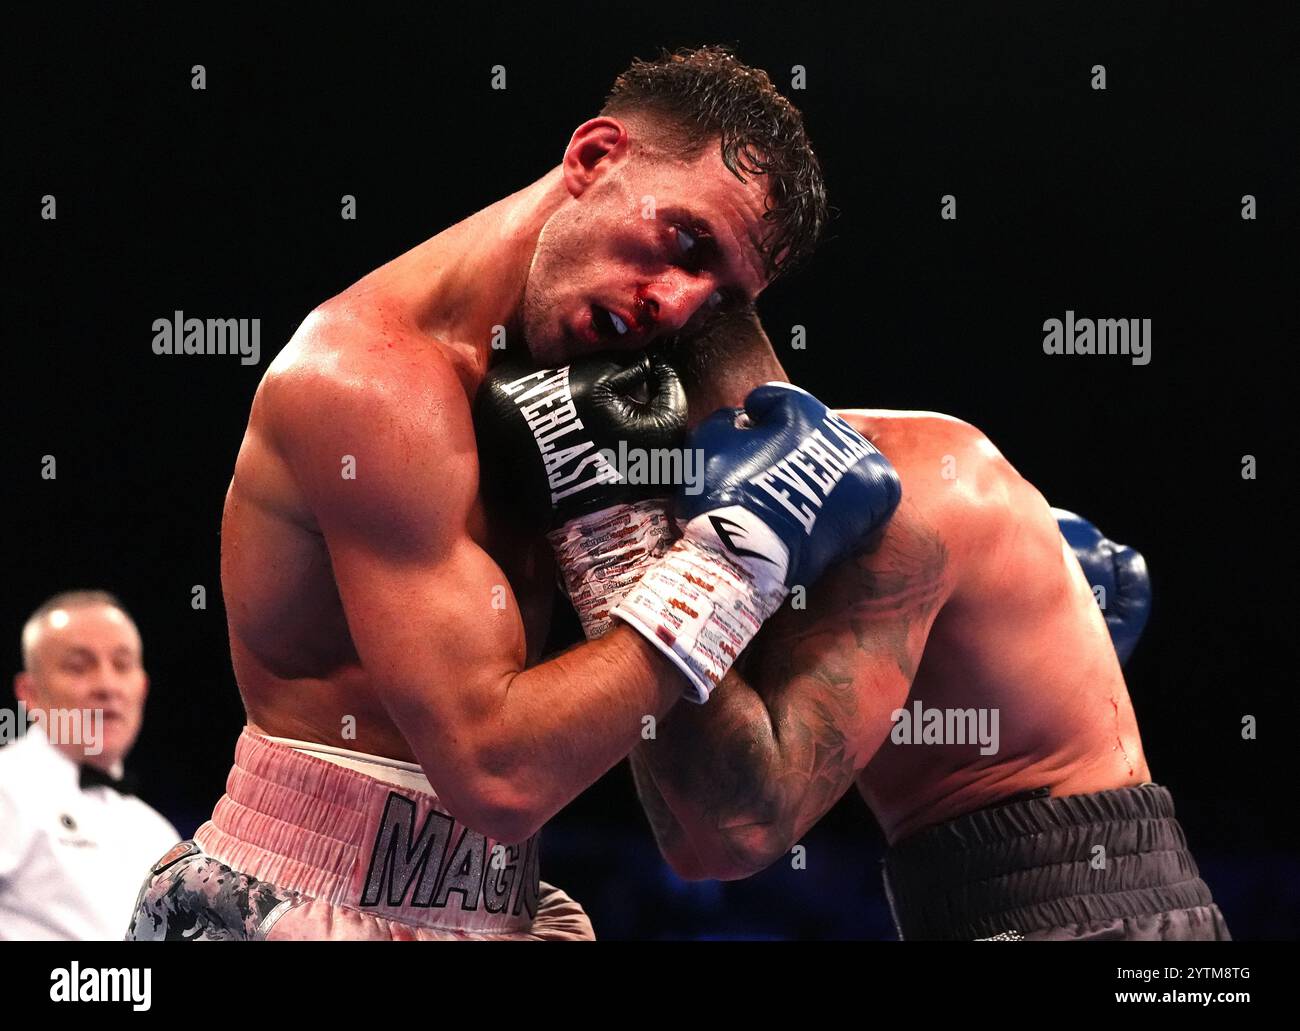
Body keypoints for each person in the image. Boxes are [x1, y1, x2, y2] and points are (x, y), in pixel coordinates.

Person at [126, 46, 902, 941]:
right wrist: (731, 563)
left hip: (500, 906)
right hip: (299, 902)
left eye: (720, 293)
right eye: (684, 241)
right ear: (592, 157)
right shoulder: (371, 386)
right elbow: (497, 776)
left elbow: (809, 494)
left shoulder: (616, 359)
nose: (678, 305)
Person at [620, 315, 1229, 941]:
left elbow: (741, 834)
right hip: (959, 906)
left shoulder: (920, 479)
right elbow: (694, 845)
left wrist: (619, 552)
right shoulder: (730, 554)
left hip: (1093, 909)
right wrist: (630, 554)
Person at [0, 591, 178, 940]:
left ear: (141, 688)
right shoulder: (6, 786)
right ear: (29, 693)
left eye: (122, 665)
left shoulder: (159, 835)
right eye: (78, 667)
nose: (107, 686)